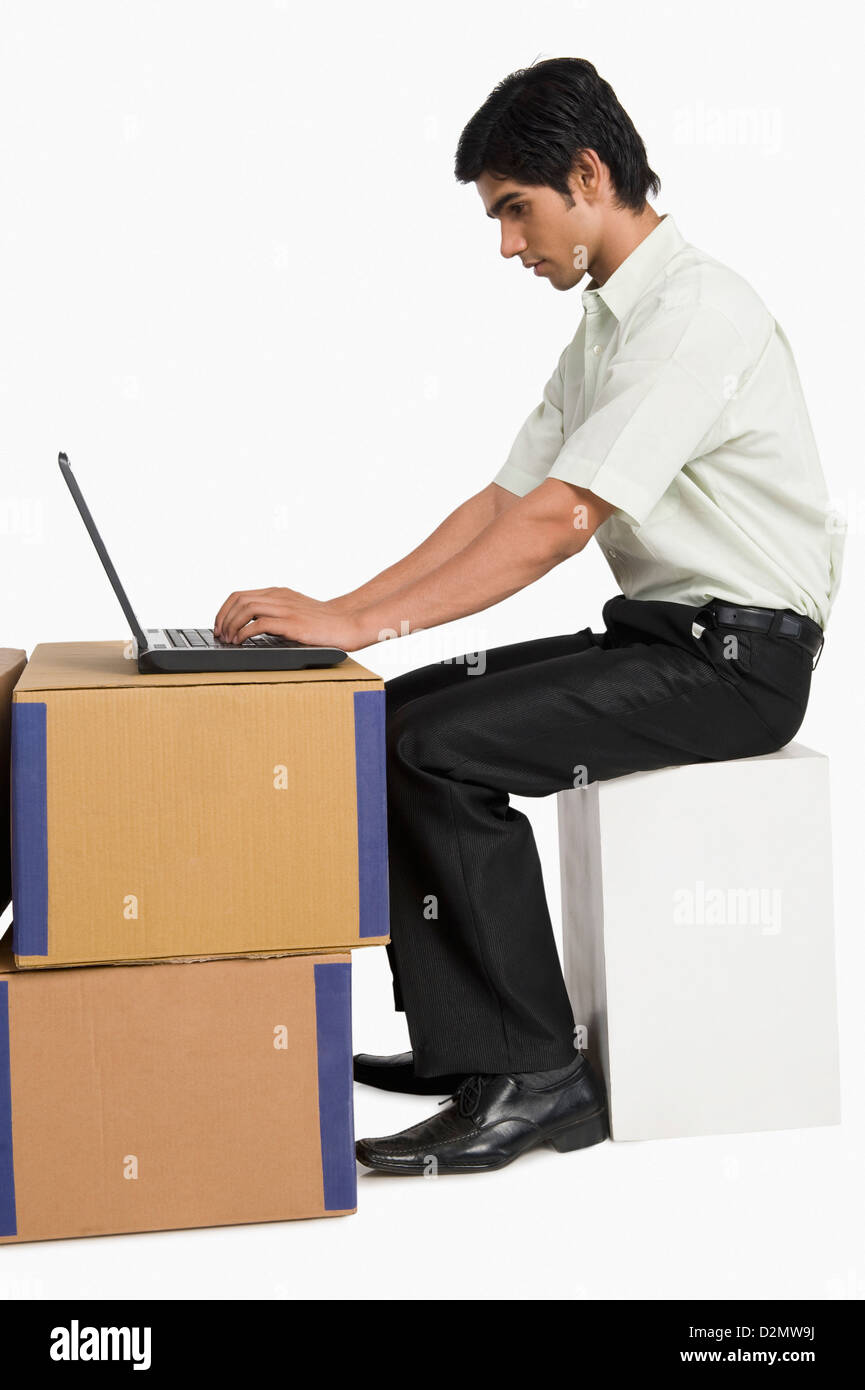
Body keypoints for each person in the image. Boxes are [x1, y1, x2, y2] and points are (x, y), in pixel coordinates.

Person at [213, 57, 844, 1176]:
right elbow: (503, 500)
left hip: (738, 663)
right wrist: (342, 612)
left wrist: (358, 621)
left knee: (439, 748)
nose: (509, 246)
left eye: (516, 210)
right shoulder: (609, 325)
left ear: (589, 174)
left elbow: (558, 522)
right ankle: (477, 1049)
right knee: (395, 721)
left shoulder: (695, 311)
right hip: (668, 638)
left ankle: (539, 1078)